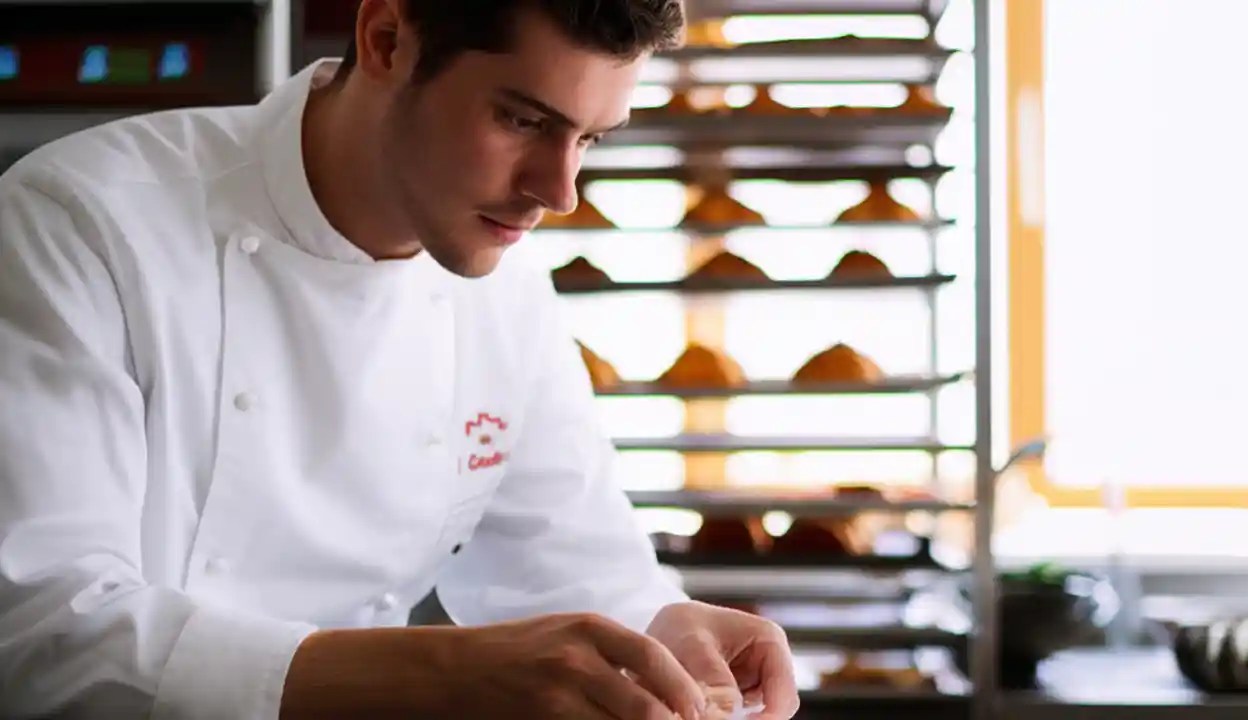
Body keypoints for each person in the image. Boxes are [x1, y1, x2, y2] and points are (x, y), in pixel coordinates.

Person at [0, 0, 803, 718]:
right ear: (387, 39)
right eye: (522, 120)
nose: (559, 191)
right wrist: (453, 672)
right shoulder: (83, 223)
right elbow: (44, 635)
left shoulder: (506, 285)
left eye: (588, 138)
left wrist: (666, 632)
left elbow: (572, 566)